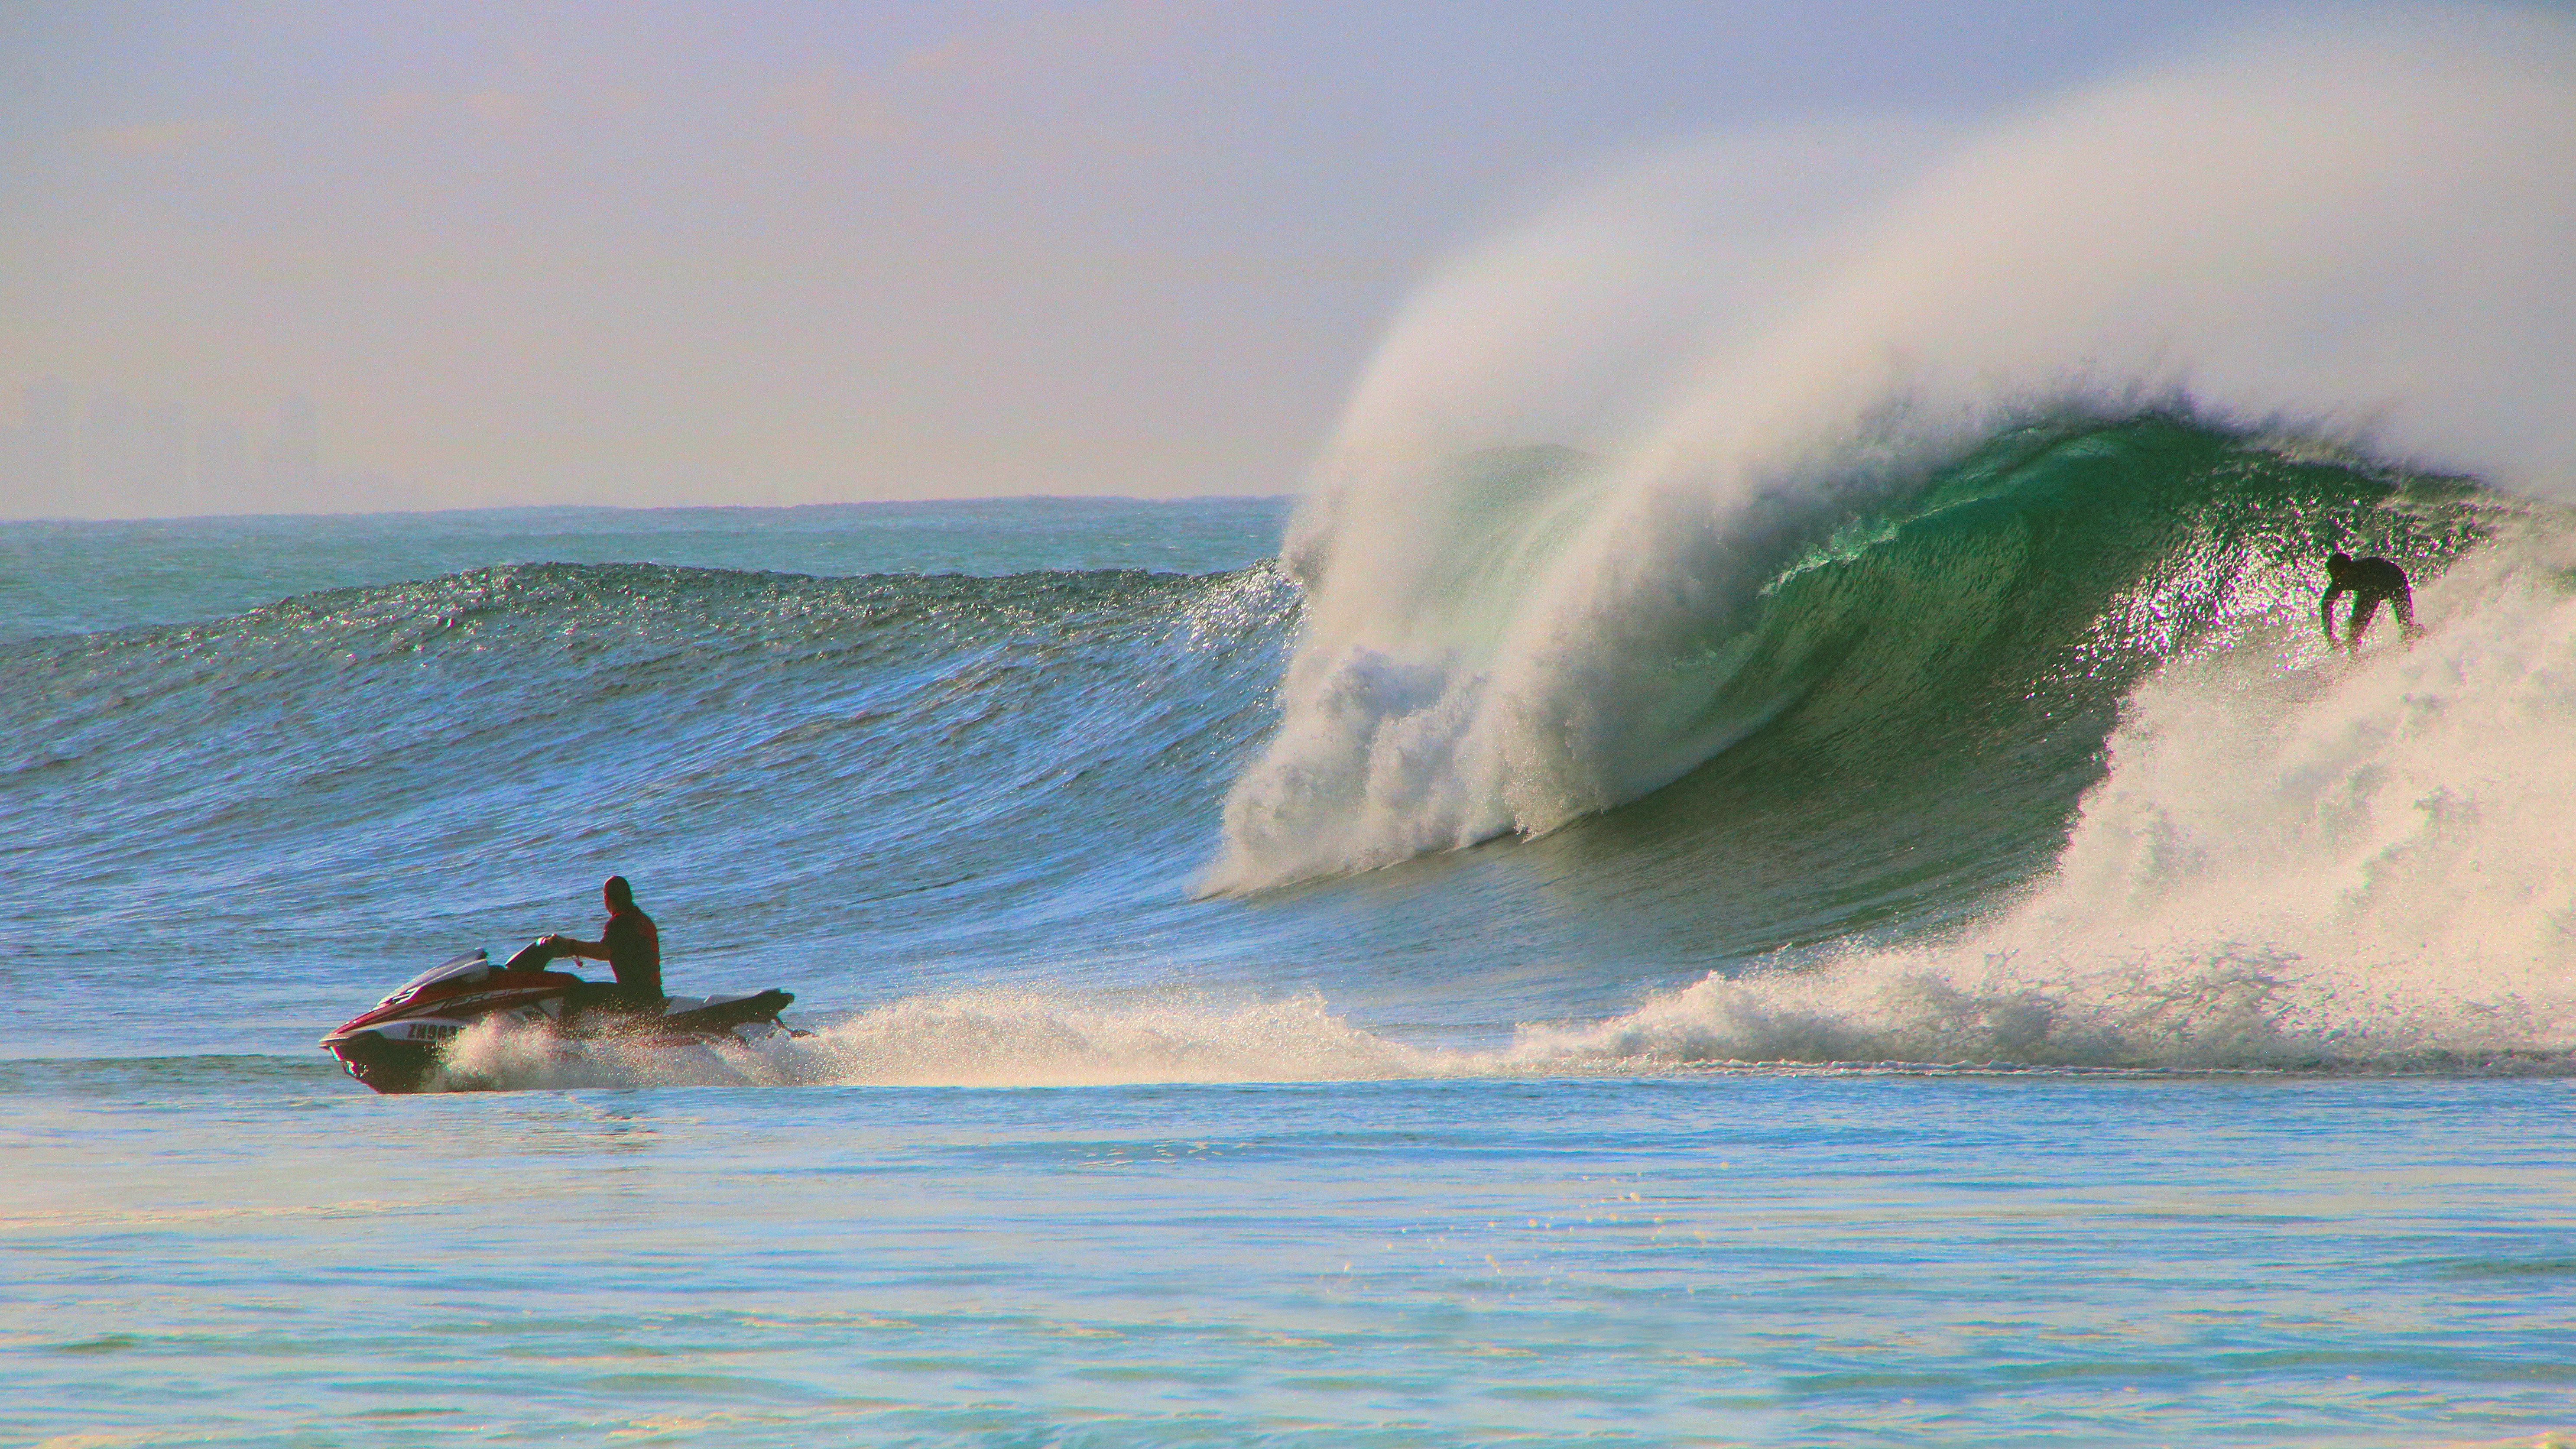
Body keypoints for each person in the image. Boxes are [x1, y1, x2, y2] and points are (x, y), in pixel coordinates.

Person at [542, 875, 665, 1028]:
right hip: (653, 994)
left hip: (633, 996)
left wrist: (571, 946)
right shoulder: (643, 920)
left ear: (606, 899)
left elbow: (603, 952)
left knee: (574, 992)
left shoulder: (620, 922)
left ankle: (564, 1038)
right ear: (629, 896)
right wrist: (570, 949)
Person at [2320, 551, 2418, 654]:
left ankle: (2416, 645)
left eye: (2341, 574)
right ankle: (2353, 659)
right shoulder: (2340, 581)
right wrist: (2329, 634)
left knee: (2406, 624)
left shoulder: (2362, 571)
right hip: (2372, 588)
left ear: (2349, 567)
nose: (2339, 579)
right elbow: (2326, 605)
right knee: (2354, 633)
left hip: (2395, 580)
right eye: (2335, 576)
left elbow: (2370, 600)